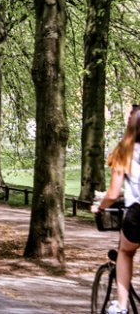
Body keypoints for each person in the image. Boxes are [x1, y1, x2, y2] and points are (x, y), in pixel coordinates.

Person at [92, 105, 140, 314]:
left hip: (137, 214)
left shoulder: (124, 150)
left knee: (125, 253)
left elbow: (112, 194)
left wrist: (99, 207)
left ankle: (121, 306)